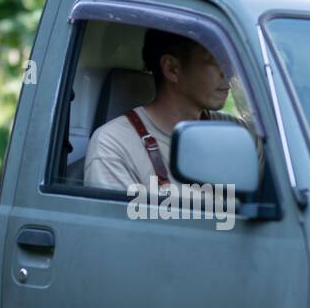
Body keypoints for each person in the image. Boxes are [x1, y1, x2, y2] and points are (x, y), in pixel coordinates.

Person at [84, 30, 240, 193]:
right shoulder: (114, 145)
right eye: (215, 60)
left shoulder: (236, 132)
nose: (230, 73)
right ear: (171, 68)